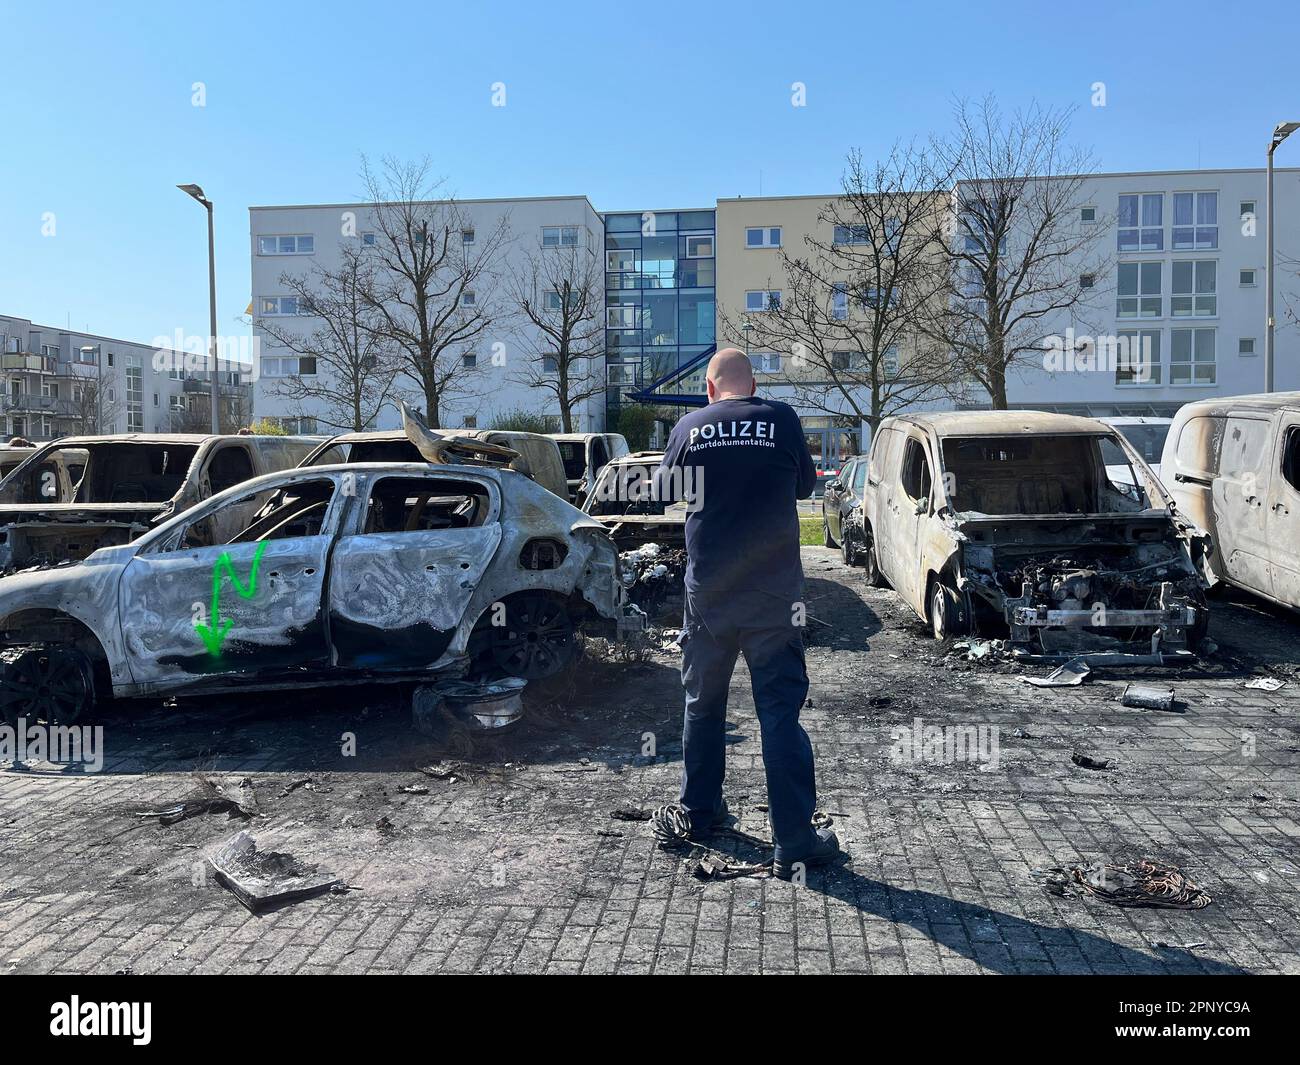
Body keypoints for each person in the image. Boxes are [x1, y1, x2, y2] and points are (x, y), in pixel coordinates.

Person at [656, 347, 841, 879]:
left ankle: (699, 812)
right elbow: (806, 486)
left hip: (710, 599)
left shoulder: (689, 426)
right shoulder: (780, 418)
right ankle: (794, 842)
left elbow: (667, 494)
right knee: (779, 715)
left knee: (703, 705)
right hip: (774, 599)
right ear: (752, 384)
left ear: (709, 389)